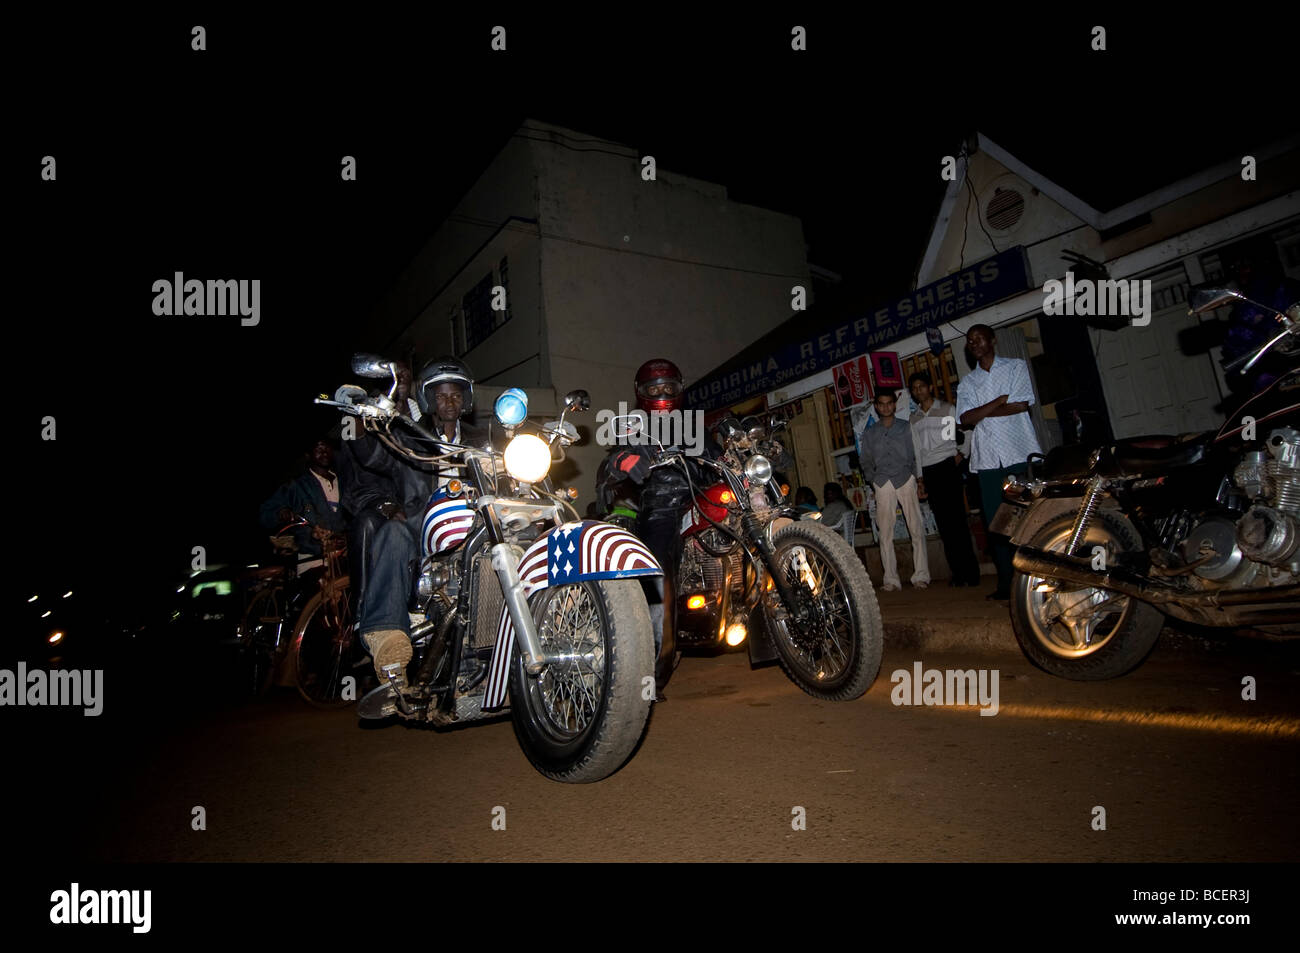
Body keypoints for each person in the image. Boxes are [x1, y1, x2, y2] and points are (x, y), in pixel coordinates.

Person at [344, 356, 486, 693]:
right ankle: (386, 637)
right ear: (428, 401)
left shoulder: (483, 439)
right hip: (425, 520)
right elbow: (372, 456)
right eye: (440, 396)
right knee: (393, 531)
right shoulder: (411, 437)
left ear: (465, 399)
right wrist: (360, 415)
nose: (449, 402)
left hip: (477, 518)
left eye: (455, 395)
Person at [595, 358, 690, 697]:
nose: (663, 394)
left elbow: (723, 455)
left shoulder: (693, 426)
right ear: (642, 394)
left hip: (700, 502)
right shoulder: (632, 426)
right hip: (659, 507)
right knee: (657, 571)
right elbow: (610, 464)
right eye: (655, 390)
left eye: (669, 388)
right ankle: (653, 671)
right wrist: (625, 461)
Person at [956, 324, 1042, 600]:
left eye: (979, 339)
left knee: (1026, 519)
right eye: (970, 342)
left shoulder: (1016, 367)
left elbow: (1020, 405)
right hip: (988, 460)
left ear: (992, 340)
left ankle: (1035, 579)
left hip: (1018, 452)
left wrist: (982, 411)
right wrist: (999, 401)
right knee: (996, 524)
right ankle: (1006, 583)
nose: (975, 344)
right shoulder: (968, 383)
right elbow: (965, 418)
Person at [909, 372, 981, 587]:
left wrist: (961, 454)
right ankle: (958, 574)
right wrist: (920, 479)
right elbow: (917, 450)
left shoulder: (946, 409)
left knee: (958, 520)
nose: (918, 390)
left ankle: (971, 574)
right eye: (914, 388)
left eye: (922, 386)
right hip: (930, 471)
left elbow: (963, 434)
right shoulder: (915, 419)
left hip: (948, 466)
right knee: (944, 524)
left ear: (930, 387)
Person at [858, 390, 930, 591]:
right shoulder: (870, 433)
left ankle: (921, 576)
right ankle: (891, 579)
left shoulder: (906, 427)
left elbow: (916, 454)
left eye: (889, 403)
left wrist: (919, 479)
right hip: (882, 482)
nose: (886, 407)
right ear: (877, 406)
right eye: (882, 404)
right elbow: (865, 460)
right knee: (885, 532)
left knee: (915, 527)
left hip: (905, 478)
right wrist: (873, 480)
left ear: (894, 405)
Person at [259, 436, 348, 558]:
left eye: (327, 447)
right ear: (308, 455)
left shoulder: (345, 483)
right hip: (311, 558)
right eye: (318, 448)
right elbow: (264, 514)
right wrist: (281, 513)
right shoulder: (296, 486)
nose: (324, 452)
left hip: (345, 555)